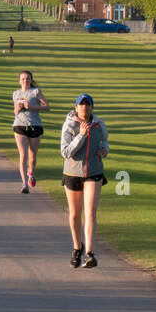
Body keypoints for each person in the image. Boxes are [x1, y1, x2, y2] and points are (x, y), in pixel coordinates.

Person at [59, 94, 109, 268]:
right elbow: (65, 152)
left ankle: (89, 253)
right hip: (72, 173)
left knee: (90, 211)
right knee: (74, 214)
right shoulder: (70, 125)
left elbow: (104, 140)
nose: (84, 108)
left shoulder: (99, 124)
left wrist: (105, 150)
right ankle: (76, 248)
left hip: (94, 172)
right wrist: (81, 135)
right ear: (76, 107)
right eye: (81, 105)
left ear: (92, 108)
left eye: (88, 105)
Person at [11, 70, 50, 193]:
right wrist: (18, 107)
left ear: (31, 80)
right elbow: (15, 112)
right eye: (23, 78)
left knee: (32, 158)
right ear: (19, 81)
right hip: (19, 125)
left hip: (35, 125)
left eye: (27, 78)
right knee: (23, 155)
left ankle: (31, 173)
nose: (25, 81)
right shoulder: (16, 93)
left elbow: (47, 107)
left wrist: (31, 107)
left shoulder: (36, 92)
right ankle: (24, 184)